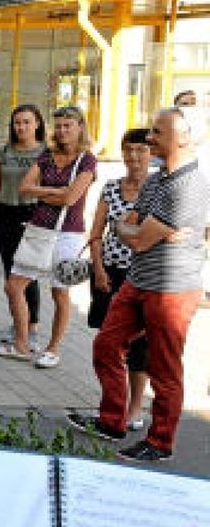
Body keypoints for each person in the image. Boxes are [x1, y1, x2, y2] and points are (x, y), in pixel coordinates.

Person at [69, 107, 207, 462]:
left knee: (164, 368)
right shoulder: (157, 179)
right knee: (106, 345)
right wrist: (131, 228)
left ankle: (160, 442)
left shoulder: (189, 186)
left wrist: (135, 230)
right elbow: (128, 225)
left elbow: (140, 239)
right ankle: (112, 421)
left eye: (157, 132)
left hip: (172, 290)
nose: (149, 138)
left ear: (183, 138)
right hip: (138, 280)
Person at [0, 106, 97, 369]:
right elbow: (25, 187)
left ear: (80, 127)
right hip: (38, 229)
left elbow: (71, 199)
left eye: (67, 126)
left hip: (67, 232)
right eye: (58, 126)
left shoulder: (87, 160)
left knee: (59, 292)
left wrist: (48, 192)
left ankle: (53, 348)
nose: (62, 131)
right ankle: (22, 345)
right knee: (14, 286)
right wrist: (57, 191)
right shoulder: (47, 155)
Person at [85, 128, 152, 431]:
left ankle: (135, 408)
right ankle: (112, 403)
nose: (133, 156)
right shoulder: (111, 188)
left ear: (151, 154)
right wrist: (98, 269)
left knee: (140, 346)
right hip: (109, 273)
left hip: (142, 277)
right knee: (108, 343)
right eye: (128, 149)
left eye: (140, 150)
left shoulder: (156, 190)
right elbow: (96, 232)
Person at [0, 104, 47, 351]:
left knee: (27, 275)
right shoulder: (5, 151)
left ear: (37, 124)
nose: (21, 127)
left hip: (31, 216)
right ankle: (18, 324)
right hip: (4, 215)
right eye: (17, 123)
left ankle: (33, 327)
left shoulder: (45, 153)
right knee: (10, 273)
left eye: (26, 122)